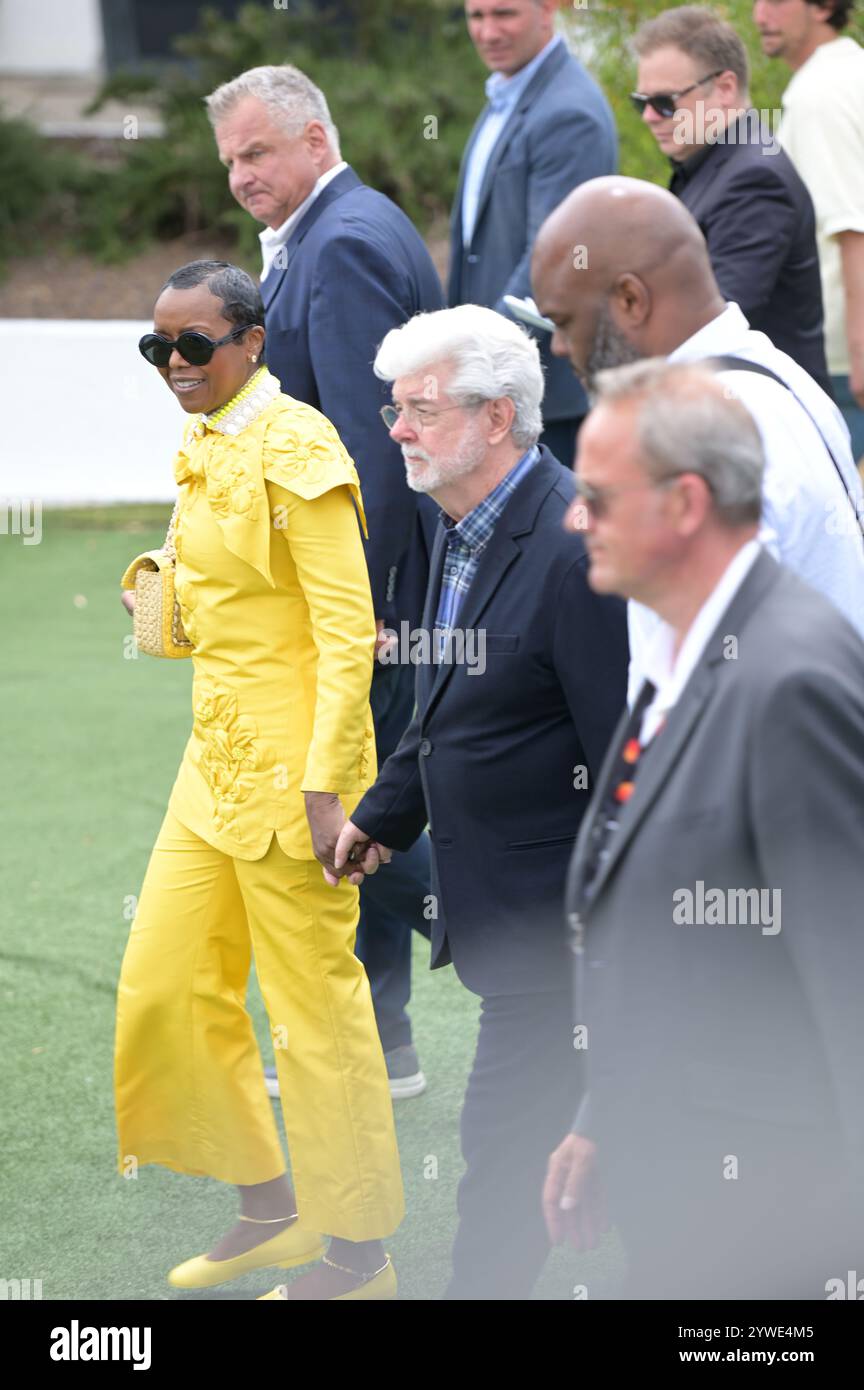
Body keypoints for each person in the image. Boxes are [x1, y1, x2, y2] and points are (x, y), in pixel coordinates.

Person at [542, 359, 864, 1299]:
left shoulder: (791, 680)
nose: (574, 515)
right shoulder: (685, 646)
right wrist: (611, 1110)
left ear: (684, 505)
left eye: (596, 495)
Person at [114, 260, 402, 1302]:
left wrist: (332, 788)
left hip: (298, 777)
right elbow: (222, 610)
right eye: (159, 347)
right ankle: (270, 1202)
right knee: (165, 980)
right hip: (212, 761)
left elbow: (345, 630)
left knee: (314, 1013)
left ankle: (359, 1256)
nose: (176, 365)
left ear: (253, 340)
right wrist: (157, 599)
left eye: (195, 344)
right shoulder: (203, 436)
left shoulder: (298, 443)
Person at [328, 305, 629, 1300]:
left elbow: (626, 763)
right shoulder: (448, 523)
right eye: (394, 408)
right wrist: (387, 810)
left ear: (498, 417)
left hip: (562, 937)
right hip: (509, 918)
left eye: (419, 409)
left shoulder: (579, 549)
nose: (397, 432)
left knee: (500, 1164)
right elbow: (451, 708)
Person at [205, 64, 446, 1099]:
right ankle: (379, 1048)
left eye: (258, 153)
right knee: (358, 811)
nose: (242, 178)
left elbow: (373, 447)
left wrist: (377, 608)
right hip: (368, 600)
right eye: (229, 162)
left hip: (368, 606)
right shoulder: (341, 225)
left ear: (314, 137)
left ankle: (519, 943)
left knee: (356, 823)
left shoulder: (342, 242)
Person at [531, 175, 864, 700]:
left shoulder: (694, 430)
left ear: (630, 300)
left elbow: (711, 696)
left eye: (566, 322)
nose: (559, 347)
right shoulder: (778, 376)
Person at [449, 0, 617, 465]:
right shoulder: (506, 94)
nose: (488, 32)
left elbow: (555, 254)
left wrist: (477, 360)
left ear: (547, 9)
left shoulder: (568, 112)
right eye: (476, 17)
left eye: (504, 14)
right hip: (504, 384)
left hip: (542, 393)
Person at [632, 5, 830, 393]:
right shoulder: (709, 163)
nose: (649, 117)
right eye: (642, 102)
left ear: (723, 89)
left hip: (763, 423)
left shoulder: (755, 178)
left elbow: (714, 323)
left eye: (665, 102)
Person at [754, 0, 864, 460]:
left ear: (823, 7)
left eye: (777, 2)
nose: (761, 16)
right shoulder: (849, 70)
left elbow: (851, 227)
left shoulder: (821, 93)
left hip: (840, 355)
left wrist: (859, 352)